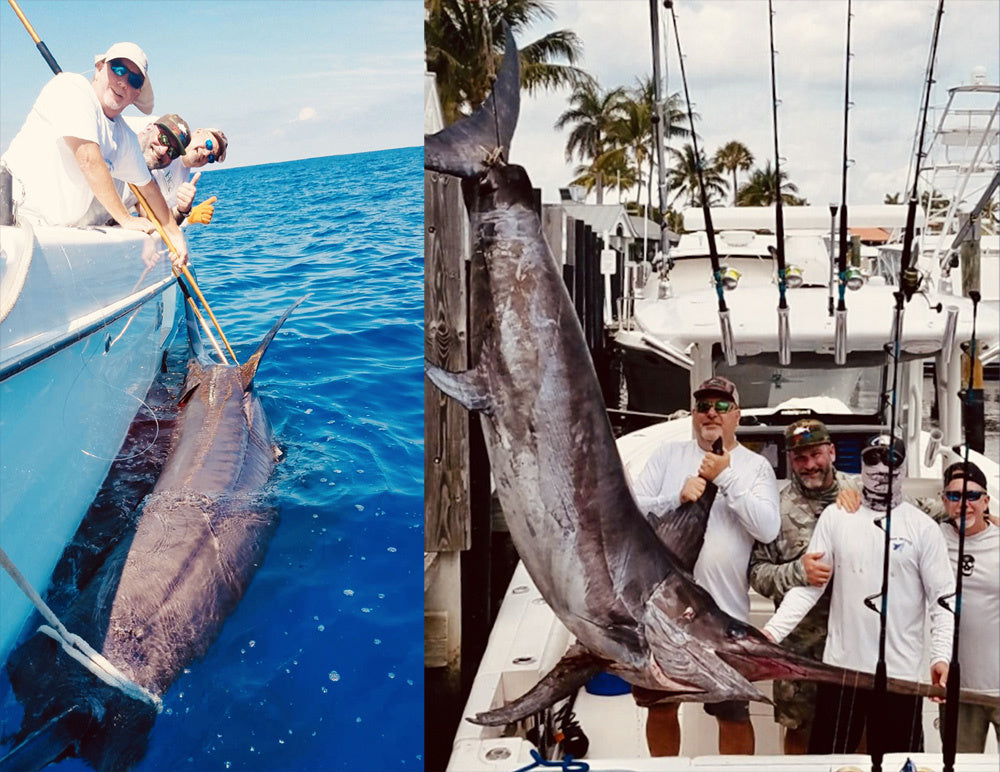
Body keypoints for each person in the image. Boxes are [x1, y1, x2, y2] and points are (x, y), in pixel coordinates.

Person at [762, 434, 955, 756]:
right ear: (861, 466)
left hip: (900, 674)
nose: (880, 468)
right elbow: (811, 587)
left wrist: (940, 656)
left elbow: (943, 601)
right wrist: (771, 633)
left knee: (897, 761)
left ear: (904, 466)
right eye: (872, 459)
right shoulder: (836, 517)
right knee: (828, 760)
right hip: (841, 671)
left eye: (890, 459)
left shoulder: (923, 527)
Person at [632, 376, 780, 756]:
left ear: (737, 415)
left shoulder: (755, 467)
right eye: (703, 405)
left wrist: (724, 477)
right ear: (694, 413)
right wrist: (674, 496)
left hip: (721, 615)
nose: (711, 413)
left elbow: (767, 528)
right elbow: (631, 509)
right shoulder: (667, 456)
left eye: (722, 405)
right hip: (662, 614)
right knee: (661, 707)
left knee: (732, 713)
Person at [0, 42, 186, 264]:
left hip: (48, 235)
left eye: (134, 80)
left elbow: (149, 189)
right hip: (11, 223)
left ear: (136, 93)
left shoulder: (123, 135)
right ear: (99, 68)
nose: (123, 81)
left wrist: (175, 233)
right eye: (118, 69)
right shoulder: (71, 87)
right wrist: (126, 219)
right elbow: (89, 159)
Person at [749, 419, 857, 754]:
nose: (809, 465)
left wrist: (984, 519)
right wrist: (798, 572)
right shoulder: (775, 510)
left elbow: (922, 513)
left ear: (832, 452)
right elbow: (756, 573)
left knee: (859, 725)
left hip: (856, 641)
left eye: (815, 454)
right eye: (800, 458)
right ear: (789, 460)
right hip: (798, 646)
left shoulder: (862, 493)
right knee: (798, 729)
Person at [937, 461, 999, 752]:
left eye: (973, 496)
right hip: (957, 691)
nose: (964, 504)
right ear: (943, 501)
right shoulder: (932, 538)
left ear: (986, 501)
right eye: (954, 496)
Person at [122, 122, 228, 225]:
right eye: (208, 144)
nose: (206, 153)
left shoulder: (183, 183)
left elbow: (157, 217)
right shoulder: (163, 128)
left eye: (211, 158)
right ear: (199, 131)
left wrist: (184, 211)